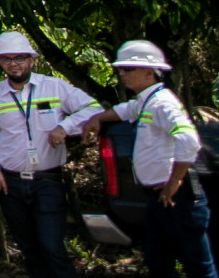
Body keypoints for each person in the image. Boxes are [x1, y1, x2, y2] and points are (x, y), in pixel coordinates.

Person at [74, 41, 215, 278]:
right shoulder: (146, 101)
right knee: (158, 261)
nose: (122, 74)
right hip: (158, 198)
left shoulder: (162, 104)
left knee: (198, 266)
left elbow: (189, 140)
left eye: (128, 69)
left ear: (149, 72)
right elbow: (127, 110)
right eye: (121, 69)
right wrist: (97, 118)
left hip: (177, 198)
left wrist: (174, 182)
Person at [0, 31, 98, 278]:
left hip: (46, 181)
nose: (13, 64)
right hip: (10, 183)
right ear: (0, 63)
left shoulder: (54, 87)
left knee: (52, 246)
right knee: (29, 249)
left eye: (19, 58)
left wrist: (64, 127)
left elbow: (92, 108)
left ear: (31, 60)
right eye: (7, 59)